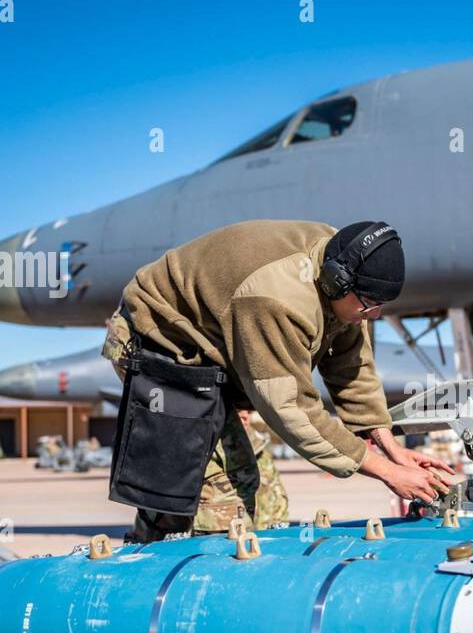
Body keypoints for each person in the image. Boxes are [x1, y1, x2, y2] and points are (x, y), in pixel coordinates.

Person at [102, 220, 453, 540]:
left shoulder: (344, 267)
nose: (372, 315)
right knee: (218, 505)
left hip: (219, 356)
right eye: (368, 305)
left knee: (266, 504)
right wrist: (385, 473)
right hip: (162, 345)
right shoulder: (275, 298)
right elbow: (292, 410)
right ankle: (152, 568)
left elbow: (352, 370)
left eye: (380, 307)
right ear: (335, 281)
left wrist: (391, 449)